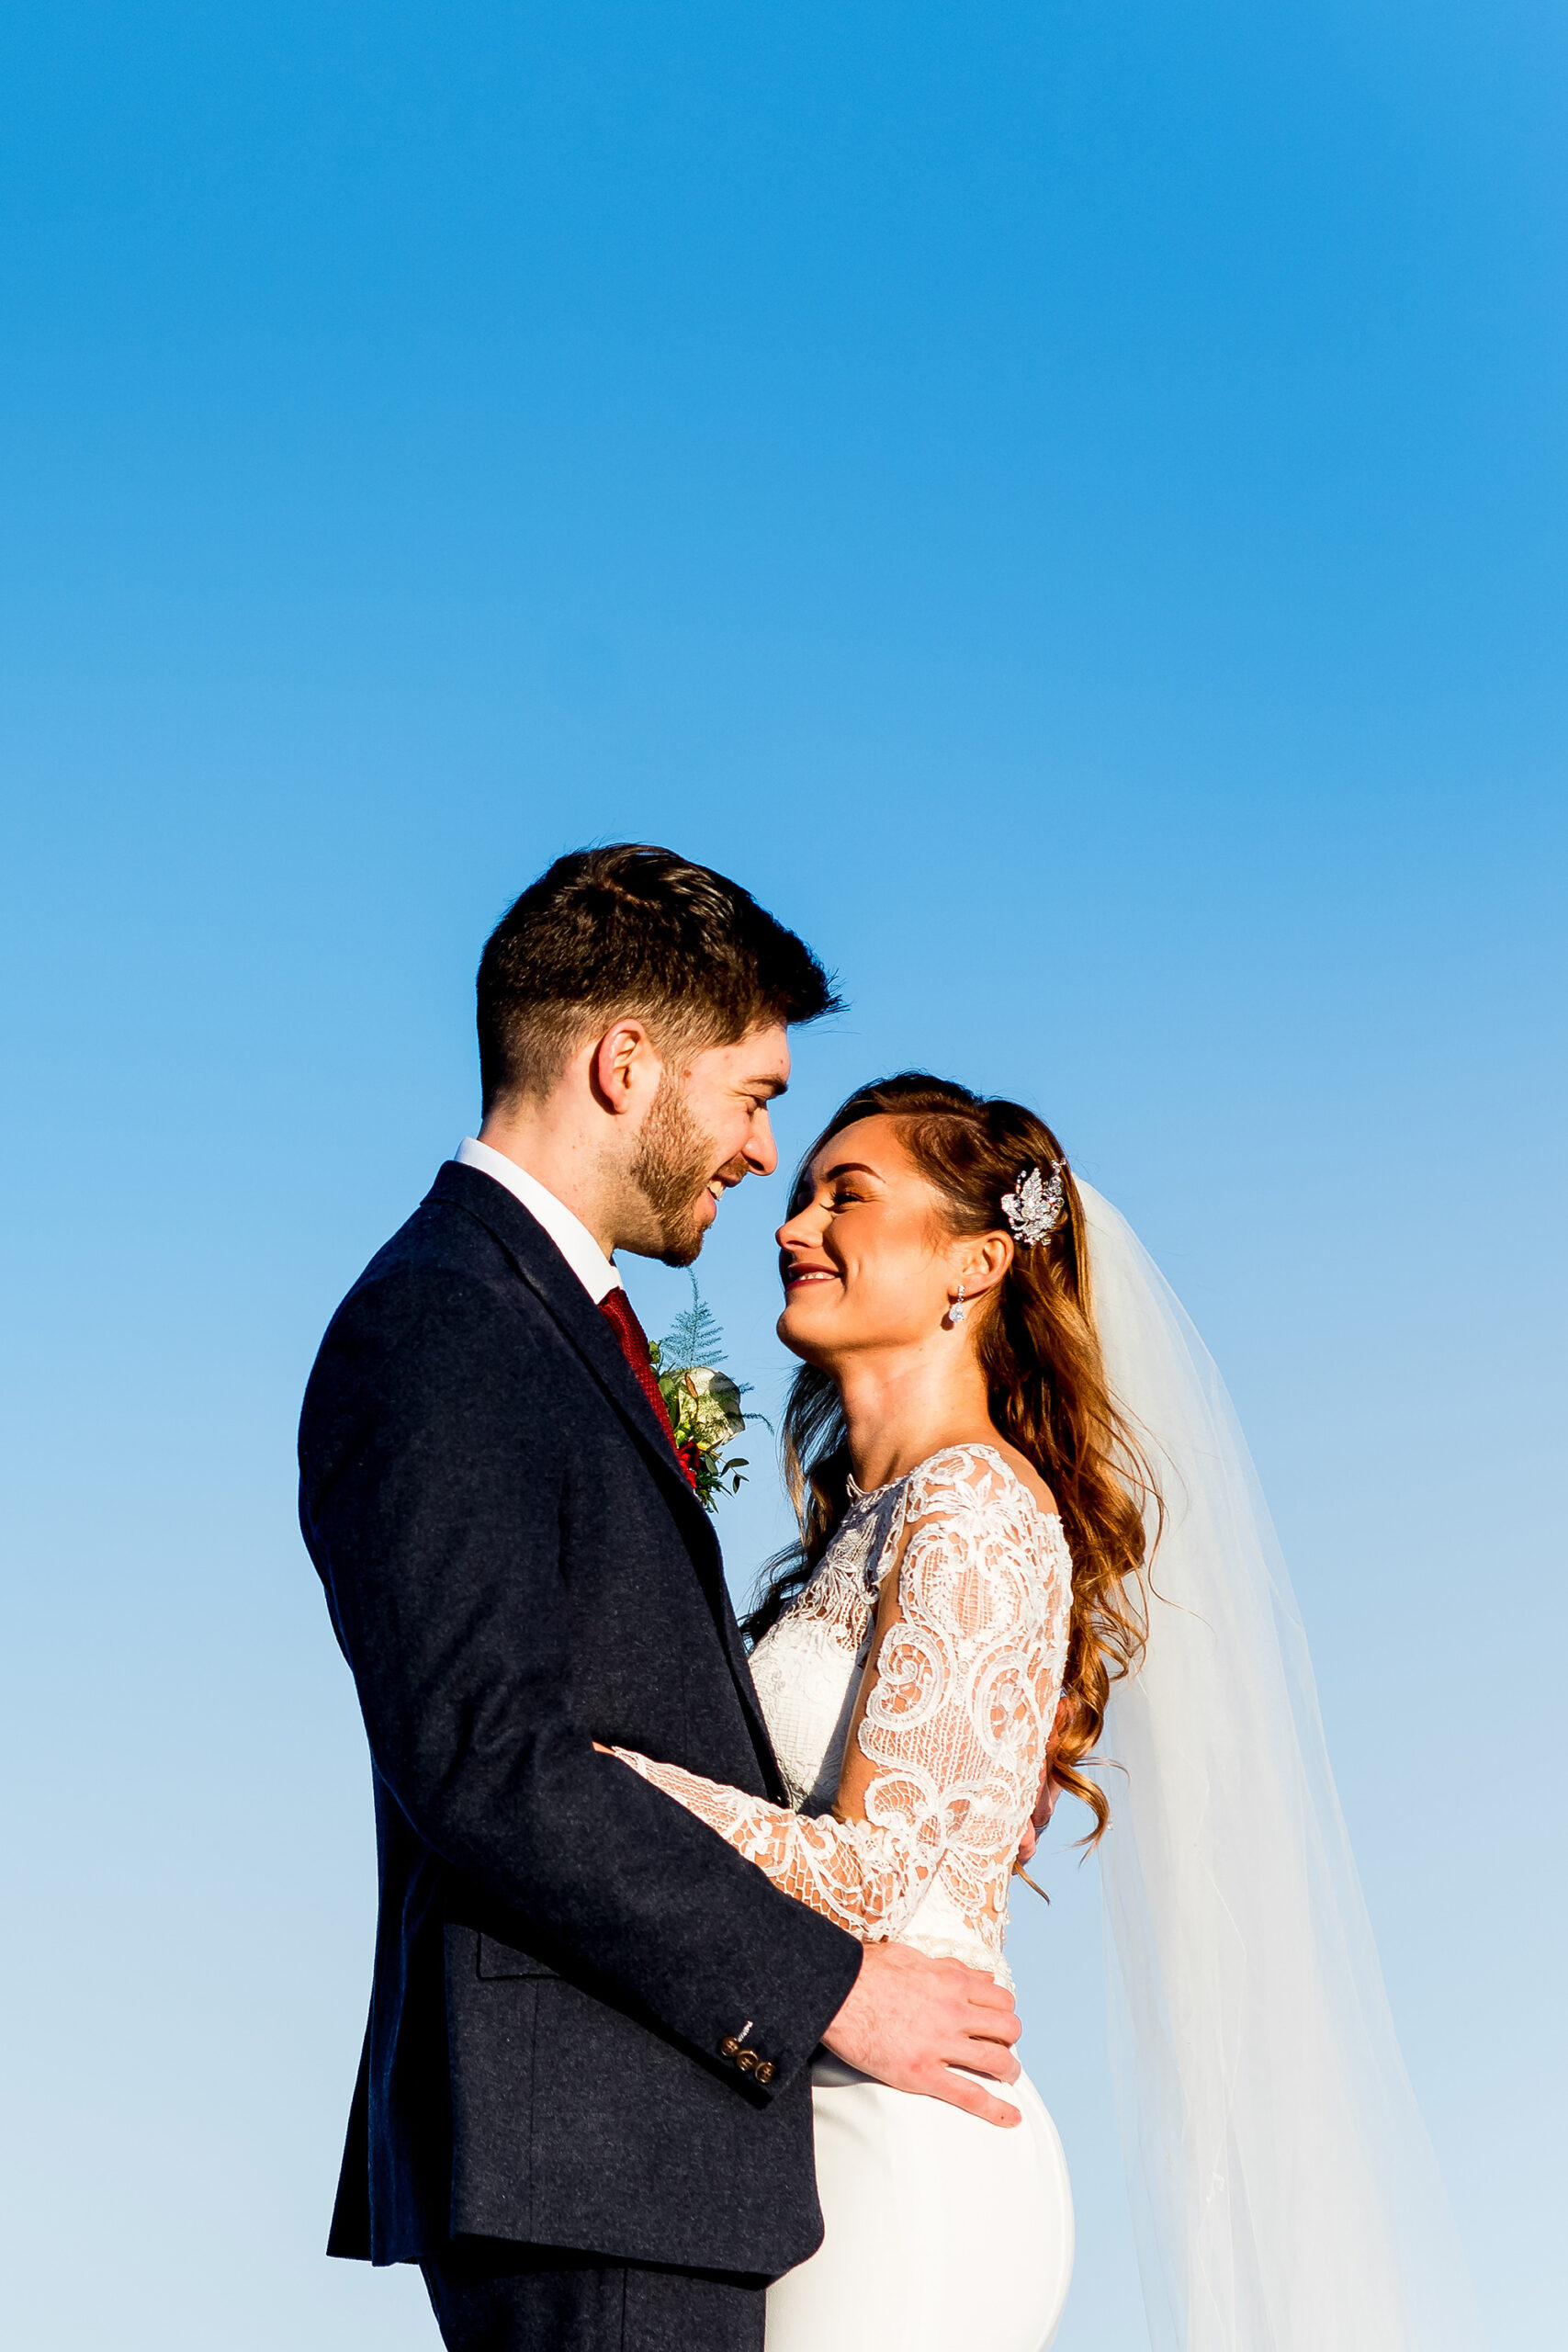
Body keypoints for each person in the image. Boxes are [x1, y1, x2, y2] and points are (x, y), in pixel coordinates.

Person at [612, 1071, 1483, 2352]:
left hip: (904, 2150)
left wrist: (599, 1779)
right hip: (821, 2115)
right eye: (798, 1199)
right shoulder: (882, 1519)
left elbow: (872, 1880)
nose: (792, 1227)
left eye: (845, 1196)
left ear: (974, 1262)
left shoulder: (971, 1508)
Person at [297, 851, 1024, 2352]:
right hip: (597, 2147)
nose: (764, 1160)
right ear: (625, 1065)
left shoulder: (530, 1316)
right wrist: (832, 1988)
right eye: (755, 1096)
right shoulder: (446, 1320)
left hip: (657, 2147)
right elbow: (490, 1761)